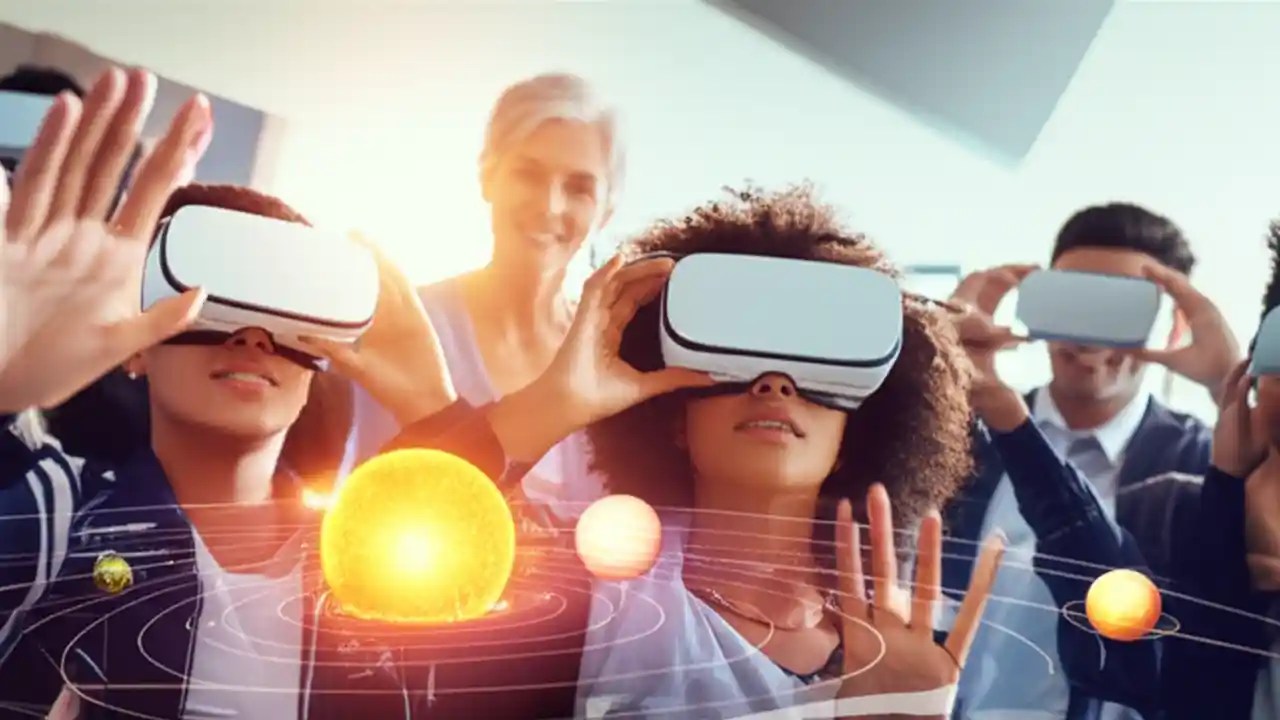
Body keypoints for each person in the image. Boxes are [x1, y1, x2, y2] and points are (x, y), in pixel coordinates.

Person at [355, 184, 1005, 718]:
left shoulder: (897, 659)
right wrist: (560, 398)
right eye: (729, 364)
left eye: (814, 369)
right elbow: (386, 550)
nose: (772, 384)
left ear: (858, 430)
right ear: (671, 421)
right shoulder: (585, 600)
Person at [0, 66, 459, 718]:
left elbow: (520, 612)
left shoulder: (371, 555)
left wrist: (440, 415)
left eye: (285, 312)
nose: (251, 336)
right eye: (208, 301)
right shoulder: (60, 517)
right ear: (134, 343)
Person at [943, 202, 1240, 718]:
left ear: (1172, 325)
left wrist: (1230, 385)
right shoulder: (957, 441)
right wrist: (939, 371)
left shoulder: (1205, 465)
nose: (1089, 338)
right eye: (1074, 302)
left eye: (1124, 309)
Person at [341, 72, 621, 517]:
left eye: (578, 187)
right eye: (528, 174)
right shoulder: (403, 325)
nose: (550, 206)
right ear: (488, 177)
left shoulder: (615, 367)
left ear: (607, 209)